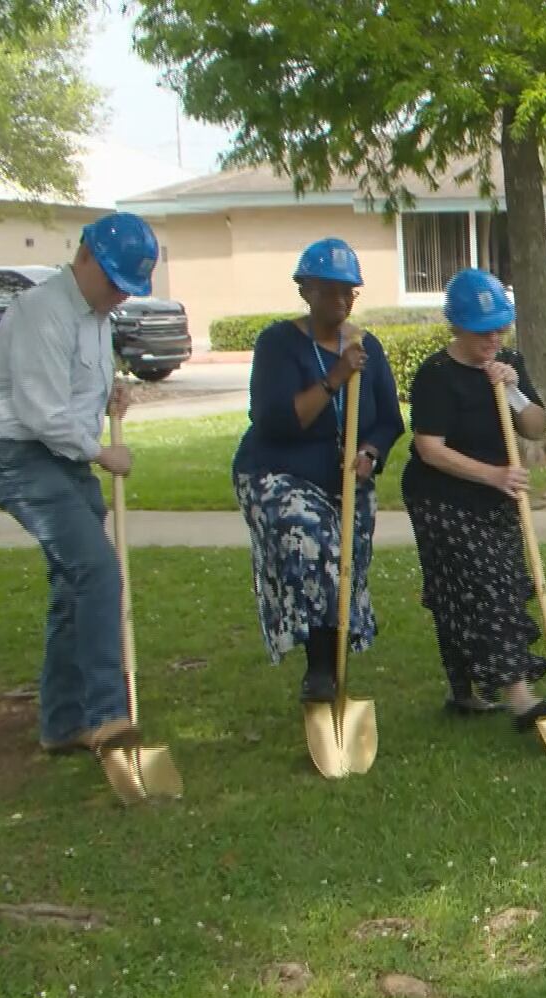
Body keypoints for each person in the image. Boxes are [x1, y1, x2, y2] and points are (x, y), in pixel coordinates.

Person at [0, 212, 157, 754]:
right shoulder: (41, 312)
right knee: (97, 571)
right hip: (18, 457)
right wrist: (102, 452)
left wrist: (107, 398)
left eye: (129, 288)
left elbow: (73, 393)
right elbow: (40, 412)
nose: (121, 296)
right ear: (85, 257)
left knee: (72, 587)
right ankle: (107, 716)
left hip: (61, 456)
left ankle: (61, 722)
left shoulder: (96, 316)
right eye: (115, 282)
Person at [232, 239, 404, 703]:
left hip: (345, 476)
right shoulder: (278, 344)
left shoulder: (367, 346)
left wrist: (370, 452)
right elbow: (276, 420)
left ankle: (335, 656)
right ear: (305, 290)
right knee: (312, 541)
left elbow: (389, 419)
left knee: (348, 562)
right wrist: (335, 378)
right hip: (278, 472)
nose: (343, 302)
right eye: (331, 291)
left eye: (350, 292)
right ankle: (320, 671)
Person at [402, 269, 546, 726]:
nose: (493, 338)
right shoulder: (436, 375)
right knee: (474, 587)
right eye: (482, 330)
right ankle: (520, 698)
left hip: (498, 494)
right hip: (441, 500)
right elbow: (429, 449)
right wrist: (492, 475)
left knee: (503, 582)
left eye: (499, 328)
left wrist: (511, 390)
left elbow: (536, 426)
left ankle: (464, 691)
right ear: (457, 326)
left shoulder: (507, 364)